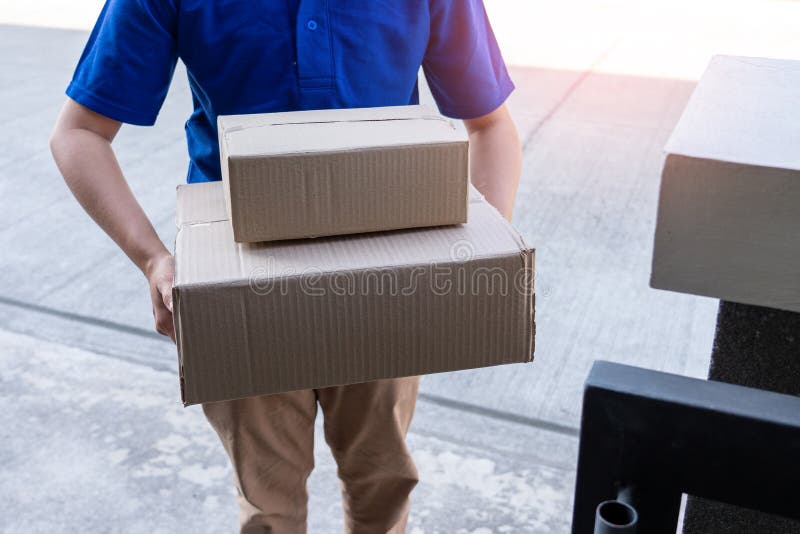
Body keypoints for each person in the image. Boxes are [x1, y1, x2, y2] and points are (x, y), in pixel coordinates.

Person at [50, 1, 521, 532]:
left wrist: (480, 253)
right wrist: (153, 258)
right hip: (240, 284)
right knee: (266, 506)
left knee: (382, 484)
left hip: (385, 278)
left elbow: (490, 125)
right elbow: (78, 133)